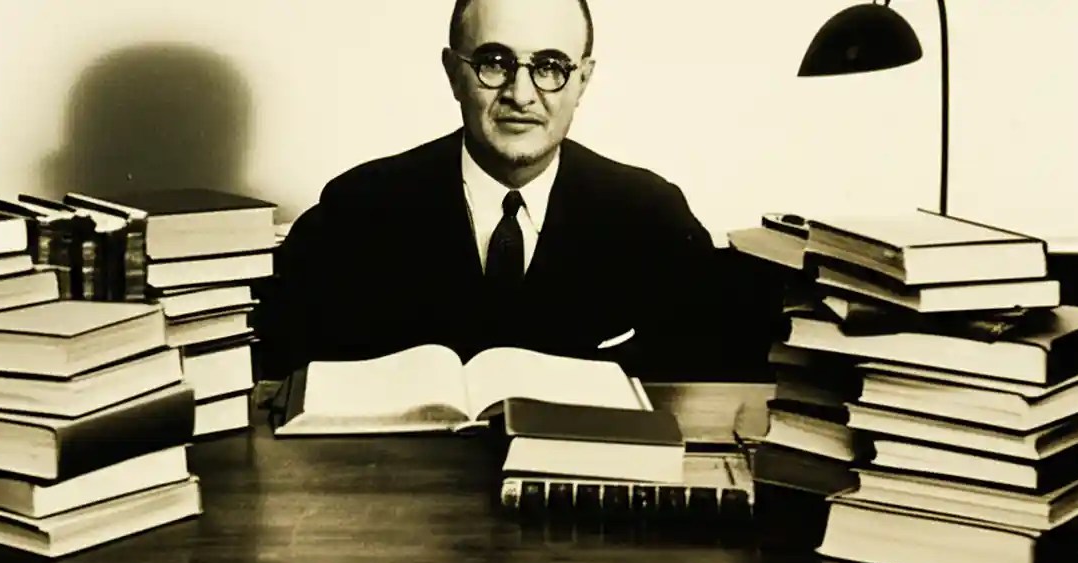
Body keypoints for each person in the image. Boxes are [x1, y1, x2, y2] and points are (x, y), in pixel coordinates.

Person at [274, 0, 783, 381]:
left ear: (582, 81)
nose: (520, 95)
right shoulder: (356, 210)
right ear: (454, 74)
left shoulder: (652, 215)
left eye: (550, 67)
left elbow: (712, 376)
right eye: (494, 63)